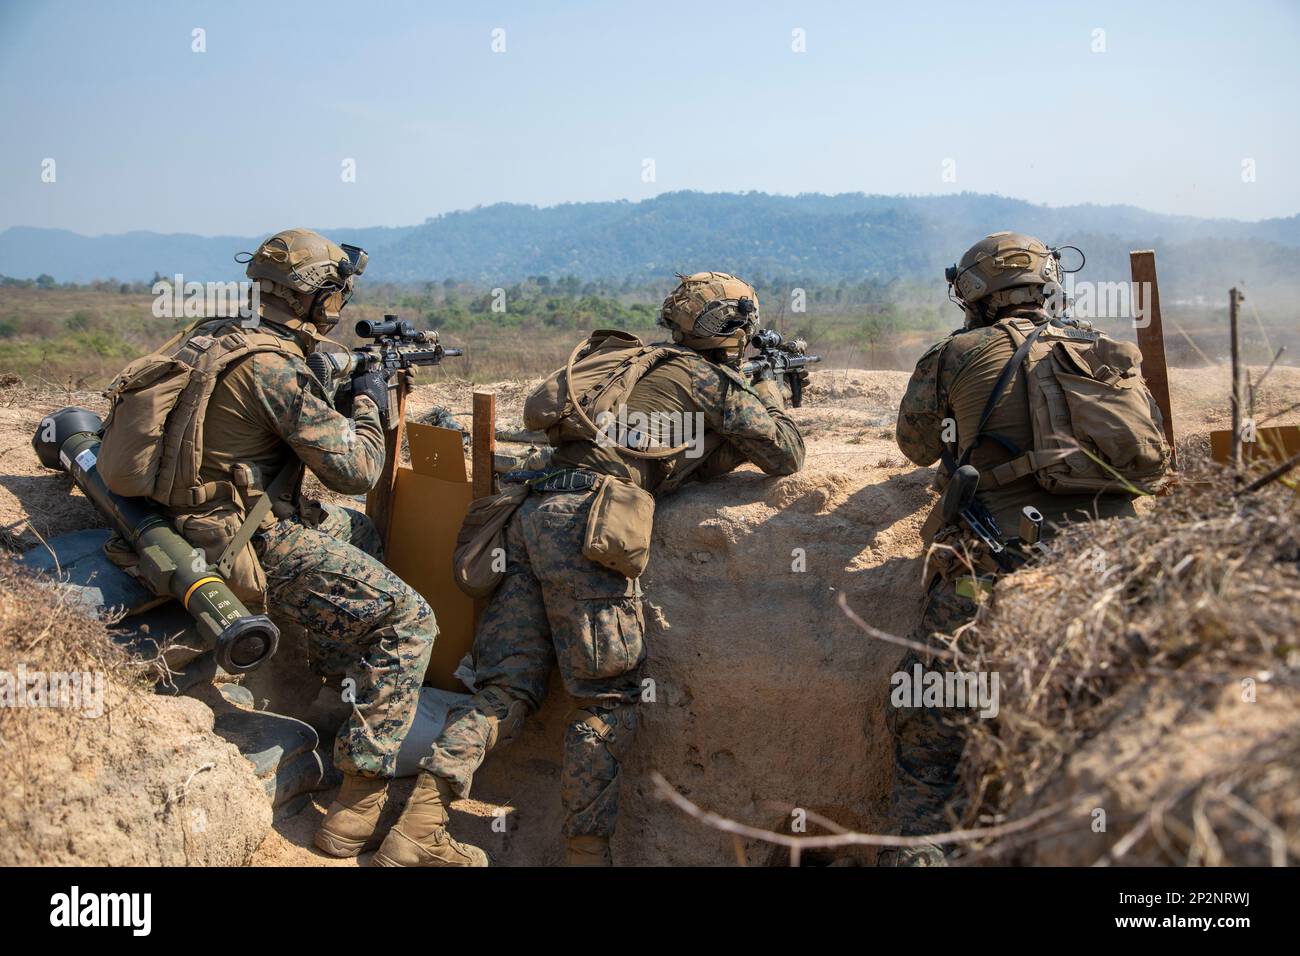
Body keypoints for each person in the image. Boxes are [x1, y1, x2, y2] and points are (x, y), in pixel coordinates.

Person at [372, 271, 806, 867]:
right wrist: (768, 391)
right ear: (732, 328)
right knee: (607, 698)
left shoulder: (625, 360)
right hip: (591, 524)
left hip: (531, 513)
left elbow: (669, 449)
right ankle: (586, 853)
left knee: (505, 690)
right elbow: (786, 454)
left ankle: (417, 826)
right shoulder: (707, 378)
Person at [98, 228, 436, 859]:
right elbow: (356, 470)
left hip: (187, 518)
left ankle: (333, 698)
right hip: (243, 539)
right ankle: (357, 802)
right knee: (411, 618)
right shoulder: (273, 367)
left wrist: (334, 379)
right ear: (320, 299)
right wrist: (368, 402)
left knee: (358, 532)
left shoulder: (216, 334)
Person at [885, 232, 1171, 865]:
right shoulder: (1105, 352)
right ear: (1049, 284)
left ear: (974, 293)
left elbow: (916, 447)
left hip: (992, 568)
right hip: (1116, 570)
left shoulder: (955, 352)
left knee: (929, 733)